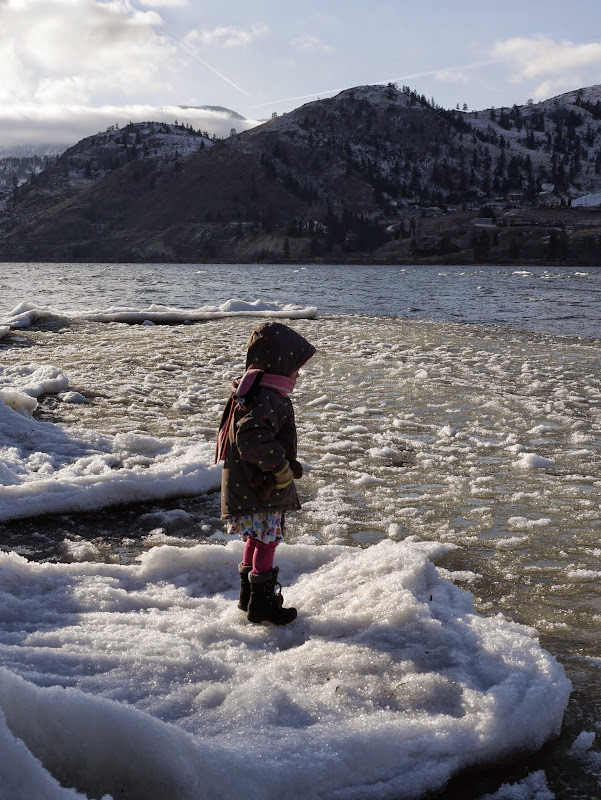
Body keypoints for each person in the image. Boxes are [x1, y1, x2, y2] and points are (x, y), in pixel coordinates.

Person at [216, 321, 316, 625]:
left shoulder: (253, 391)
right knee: (267, 541)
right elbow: (252, 439)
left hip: (247, 486)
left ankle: (248, 597)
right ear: (280, 364)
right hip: (260, 487)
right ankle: (262, 603)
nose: (298, 374)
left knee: (257, 539)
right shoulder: (267, 397)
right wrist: (281, 469)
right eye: (295, 367)